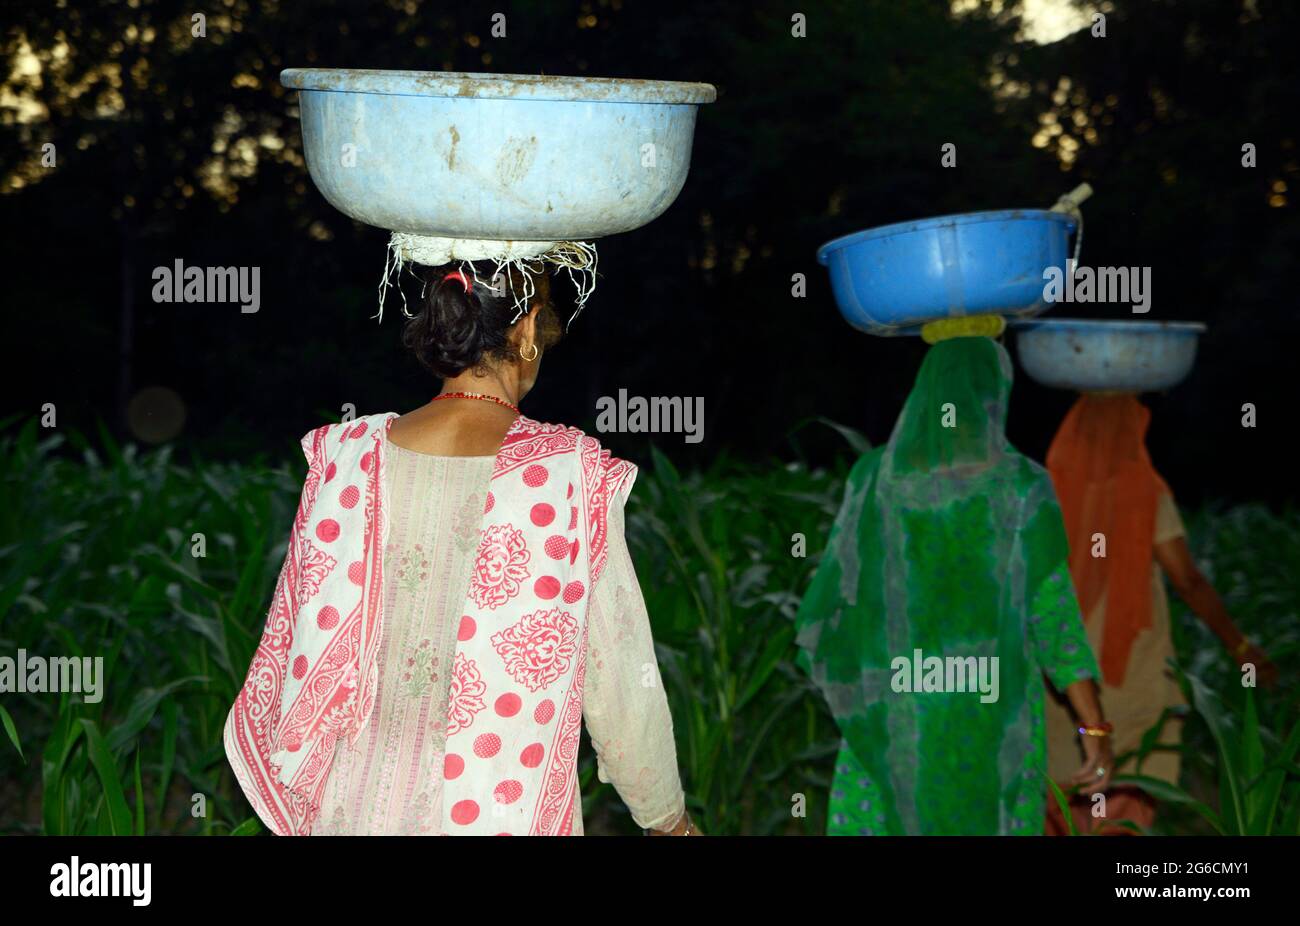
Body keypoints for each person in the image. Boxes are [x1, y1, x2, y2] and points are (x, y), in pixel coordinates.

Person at [224, 263, 696, 836]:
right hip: (497, 806)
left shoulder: (348, 457)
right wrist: (667, 818)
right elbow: (618, 673)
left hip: (347, 808)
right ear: (525, 332)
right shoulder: (565, 473)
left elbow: (292, 644)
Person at [795, 333, 1113, 835]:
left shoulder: (874, 478)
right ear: (996, 396)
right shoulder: (1022, 487)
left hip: (896, 707)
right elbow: (1053, 618)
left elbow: (838, 599)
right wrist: (1092, 725)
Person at [1043, 392, 1276, 835]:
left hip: (1062, 682)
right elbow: (1187, 580)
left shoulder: (1042, 495)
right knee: (1125, 795)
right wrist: (1240, 646)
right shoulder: (1143, 490)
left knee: (1062, 797)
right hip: (1132, 676)